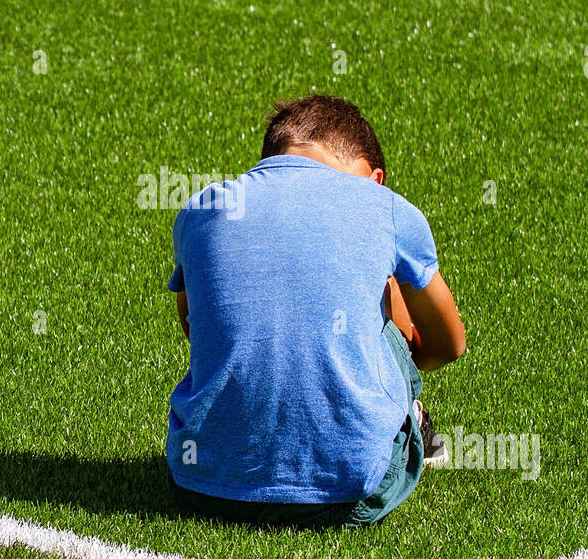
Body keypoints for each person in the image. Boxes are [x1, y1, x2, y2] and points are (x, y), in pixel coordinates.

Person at [166, 94, 465, 528]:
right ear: (374, 177)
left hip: (202, 486)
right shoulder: (382, 206)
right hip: (352, 491)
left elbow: (197, 327)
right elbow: (449, 345)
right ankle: (412, 418)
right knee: (374, 294)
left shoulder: (201, 208)